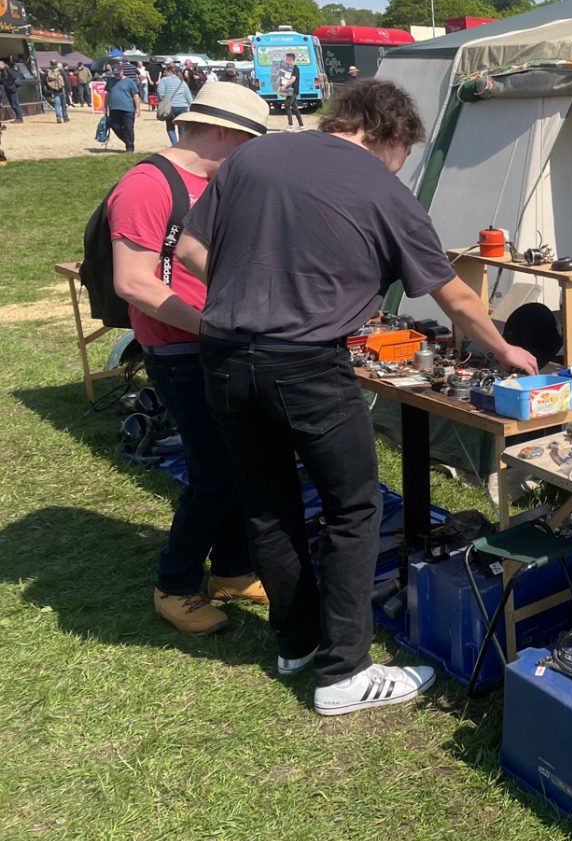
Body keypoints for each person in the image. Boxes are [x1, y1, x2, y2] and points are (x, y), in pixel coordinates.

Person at [175, 78, 539, 715]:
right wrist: (503, 349)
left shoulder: (254, 156)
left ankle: (297, 642)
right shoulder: (383, 188)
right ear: (389, 136)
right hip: (306, 365)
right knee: (354, 509)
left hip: (223, 354)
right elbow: (453, 296)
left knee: (267, 503)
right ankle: (344, 672)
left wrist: (253, 288)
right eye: (404, 156)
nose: (402, 167)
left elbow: (191, 248)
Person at [108, 84, 273, 633]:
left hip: (218, 342)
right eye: (249, 140)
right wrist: (213, 326)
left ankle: (231, 569)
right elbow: (132, 281)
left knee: (235, 465)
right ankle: (174, 585)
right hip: (181, 349)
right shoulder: (147, 185)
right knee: (212, 473)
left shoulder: (212, 181)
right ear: (225, 132)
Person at [105, 67, 142, 152]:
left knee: (128, 128)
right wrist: (105, 106)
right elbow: (108, 94)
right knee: (114, 126)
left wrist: (138, 108)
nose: (116, 75)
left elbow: (135, 95)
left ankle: (130, 147)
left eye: (118, 73)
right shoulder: (110, 81)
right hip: (114, 109)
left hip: (128, 109)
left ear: (122, 71)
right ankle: (128, 142)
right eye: (115, 74)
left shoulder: (129, 81)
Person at [157, 63, 194, 146]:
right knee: (182, 128)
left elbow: (160, 92)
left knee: (170, 127)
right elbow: (188, 97)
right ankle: (181, 146)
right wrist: (192, 108)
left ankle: (174, 144)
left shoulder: (164, 80)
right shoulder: (182, 82)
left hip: (170, 107)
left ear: (169, 71)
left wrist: (164, 100)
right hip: (182, 107)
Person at [277, 52, 303, 129]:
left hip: (293, 90)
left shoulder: (295, 68)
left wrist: (284, 87)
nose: (286, 61)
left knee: (287, 105)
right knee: (294, 108)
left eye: (287, 59)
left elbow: (293, 79)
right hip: (291, 90)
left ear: (290, 59)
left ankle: (290, 125)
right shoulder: (291, 69)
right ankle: (301, 125)